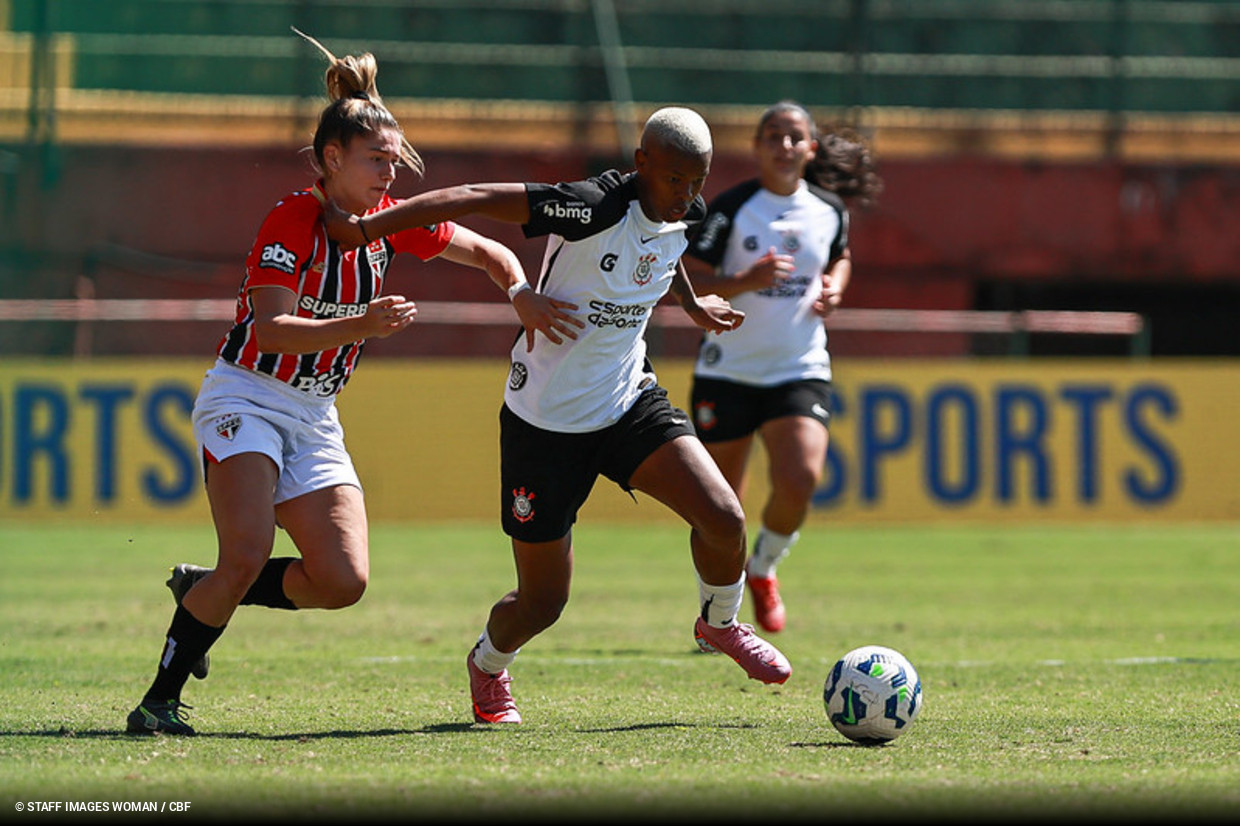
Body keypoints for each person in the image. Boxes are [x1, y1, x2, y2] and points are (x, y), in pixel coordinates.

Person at [125, 31, 570, 736]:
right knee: (245, 552)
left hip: (314, 412)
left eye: (394, 162)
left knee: (342, 581)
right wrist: (362, 322)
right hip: (247, 395)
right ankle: (158, 702)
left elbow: (491, 251)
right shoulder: (292, 221)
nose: (390, 175)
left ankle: (201, 592)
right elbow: (272, 331)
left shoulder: (389, 223)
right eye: (376, 160)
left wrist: (520, 293)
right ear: (332, 159)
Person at [329, 106, 792, 724]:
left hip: (627, 402)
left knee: (724, 517)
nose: (686, 195)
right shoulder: (587, 206)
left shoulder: (684, 212)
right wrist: (368, 228)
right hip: (543, 424)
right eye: (674, 179)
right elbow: (472, 197)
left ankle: (720, 623)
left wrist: (690, 303)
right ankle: (488, 665)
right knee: (543, 603)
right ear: (642, 163)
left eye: (696, 182)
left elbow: (666, 244)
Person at [683, 101, 882, 638]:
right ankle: (717, 614)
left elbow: (840, 255)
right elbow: (686, 281)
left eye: (795, 137)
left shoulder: (829, 209)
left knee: (801, 477)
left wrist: (836, 285)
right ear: (756, 147)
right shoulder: (730, 208)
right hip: (727, 369)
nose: (784, 146)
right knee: (721, 507)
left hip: (798, 366)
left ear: (811, 149)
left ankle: (764, 566)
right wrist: (744, 281)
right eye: (773, 136)